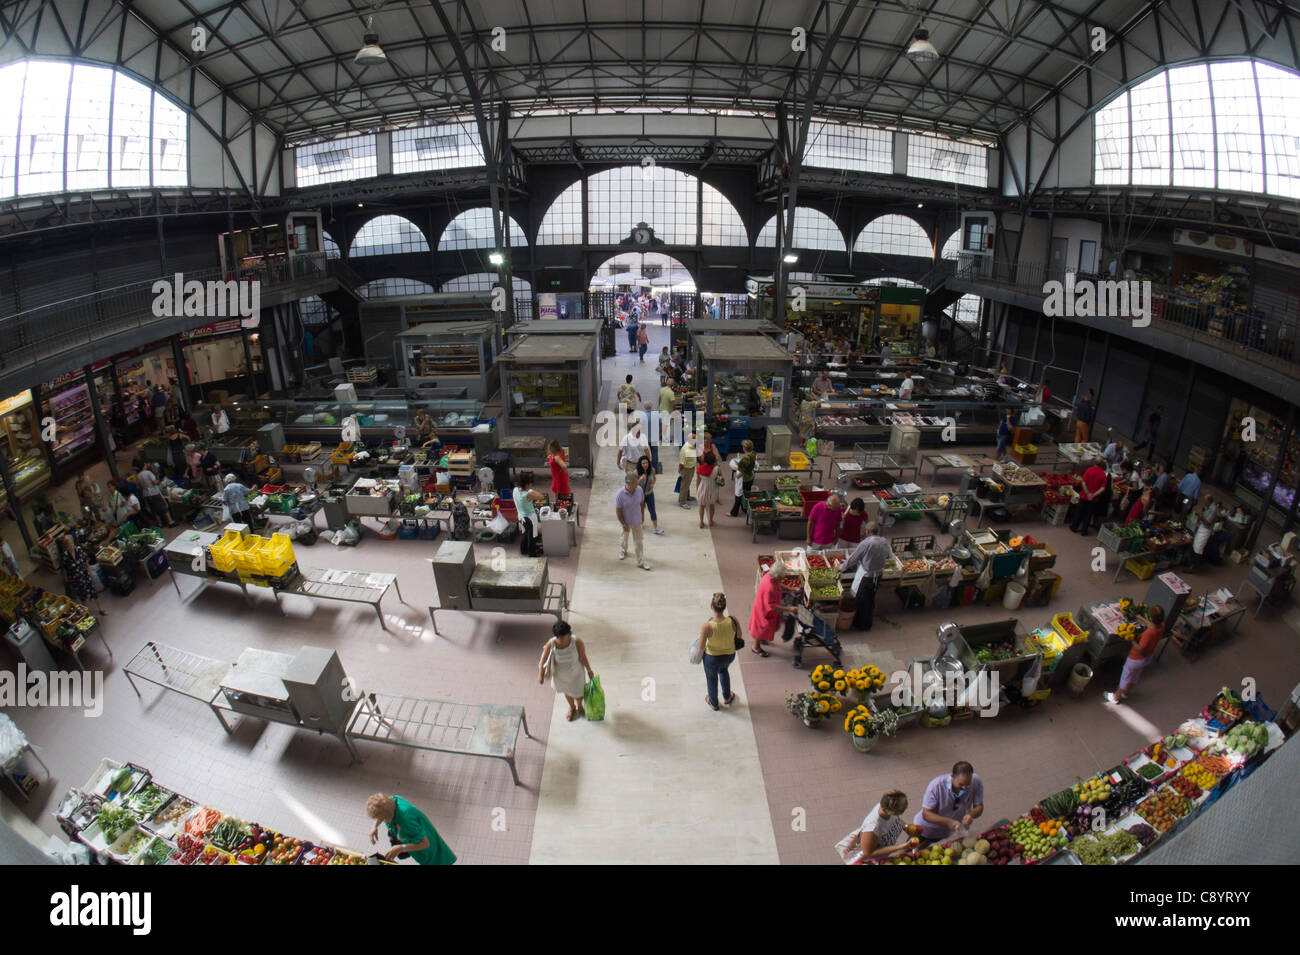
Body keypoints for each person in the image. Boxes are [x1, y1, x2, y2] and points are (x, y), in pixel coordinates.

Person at [365, 793, 456, 865]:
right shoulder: (391, 801)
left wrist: (400, 848)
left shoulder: (406, 822)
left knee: (436, 861)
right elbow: (383, 814)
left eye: (381, 818)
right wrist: (374, 826)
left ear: (387, 815)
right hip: (415, 835)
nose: (379, 820)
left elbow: (425, 844)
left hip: (427, 851)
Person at [1104, 606, 1166, 704]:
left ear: (1152, 617)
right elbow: (1151, 625)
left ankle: (1116, 697)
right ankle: (1126, 693)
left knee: (1126, 675)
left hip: (1136, 658)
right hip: (1147, 657)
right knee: (1135, 675)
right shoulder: (1162, 625)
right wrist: (1139, 617)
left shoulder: (1149, 633)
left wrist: (1131, 640)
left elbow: (1140, 650)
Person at [914, 761, 985, 842]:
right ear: (952, 776)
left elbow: (979, 807)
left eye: (967, 784)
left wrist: (971, 815)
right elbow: (926, 814)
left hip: (947, 831)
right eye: (961, 785)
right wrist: (949, 822)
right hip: (926, 828)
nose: (965, 788)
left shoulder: (976, 781)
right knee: (912, 847)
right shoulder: (936, 785)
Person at [539, 620, 594, 721]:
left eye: (563, 637)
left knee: (578, 693)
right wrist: (541, 675)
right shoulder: (551, 643)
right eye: (558, 637)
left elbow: (583, 658)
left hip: (576, 674)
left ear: (569, 634)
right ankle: (572, 707)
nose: (560, 640)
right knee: (567, 692)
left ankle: (580, 706)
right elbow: (543, 660)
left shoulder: (577, 642)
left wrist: (589, 670)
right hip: (560, 675)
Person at [841, 790, 915, 865]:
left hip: (882, 856)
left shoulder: (886, 807)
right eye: (901, 811)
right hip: (871, 862)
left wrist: (906, 827)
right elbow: (868, 853)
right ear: (892, 812)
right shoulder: (873, 827)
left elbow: (896, 818)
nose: (901, 813)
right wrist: (901, 847)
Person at [697, 592, 741, 710]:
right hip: (729, 655)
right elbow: (739, 636)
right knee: (724, 671)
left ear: (711, 605)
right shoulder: (733, 620)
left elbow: (700, 647)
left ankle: (714, 703)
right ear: (724, 606)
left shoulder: (707, 626)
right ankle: (727, 696)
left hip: (712, 658)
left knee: (711, 678)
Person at [843, 521, 890, 630]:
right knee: (871, 598)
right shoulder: (883, 541)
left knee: (862, 600)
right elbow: (887, 555)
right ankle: (868, 622)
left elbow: (853, 559)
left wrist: (841, 568)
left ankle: (861, 624)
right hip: (878, 575)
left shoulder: (866, 543)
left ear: (867, 532)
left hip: (867, 576)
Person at [749, 562, 800, 658]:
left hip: (763, 606)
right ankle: (756, 647)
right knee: (761, 629)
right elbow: (771, 606)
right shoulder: (770, 588)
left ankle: (762, 640)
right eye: (782, 577)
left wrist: (789, 588)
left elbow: (778, 584)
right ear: (777, 577)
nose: (783, 578)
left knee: (763, 629)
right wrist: (789, 609)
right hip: (764, 611)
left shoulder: (770, 576)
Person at [59, 535, 107, 615]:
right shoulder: (65, 556)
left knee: (93, 592)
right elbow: (64, 568)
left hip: (84, 575)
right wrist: (66, 578)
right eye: (69, 544)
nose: (71, 545)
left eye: (71, 543)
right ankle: (85, 611)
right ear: (66, 546)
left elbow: (85, 561)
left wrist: (89, 571)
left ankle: (100, 609)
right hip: (75, 578)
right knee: (82, 595)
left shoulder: (78, 550)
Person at [615, 472, 651, 570]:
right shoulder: (620, 494)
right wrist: (623, 524)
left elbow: (642, 503)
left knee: (639, 542)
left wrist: (642, 516)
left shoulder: (639, 490)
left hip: (637, 521)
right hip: (626, 522)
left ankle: (640, 561)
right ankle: (623, 551)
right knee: (624, 538)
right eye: (635, 482)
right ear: (629, 483)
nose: (637, 484)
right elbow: (618, 511)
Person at [1070, 457, 1109, 536]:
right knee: (1088, 514)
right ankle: (1084, 531)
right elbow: (1103, 488)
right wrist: (1094, 494)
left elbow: (1083, 482)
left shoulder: (1089, 470)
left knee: (1079, 512)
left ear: (1094, 463)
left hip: (1084, 496)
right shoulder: (1102, 474)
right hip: (1094, 499)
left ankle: (1074, 527)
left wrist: (1088, 493)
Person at [513, 471, 546, 558]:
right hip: (529, 518)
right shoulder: (528, 494)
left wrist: (529, 490)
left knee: (525, 533)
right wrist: (531, 491)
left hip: (521, 516)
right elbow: (541, 496)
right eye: (531, 483)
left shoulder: (515, 490)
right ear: (527, 484)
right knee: (532, 537)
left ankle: (523, 549)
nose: (531, 485)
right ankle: (532, 554)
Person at [634, 455, 663, 536]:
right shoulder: (636, 472)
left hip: (649, 493)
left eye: (646, 463)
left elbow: (654, 478)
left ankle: (656, 528)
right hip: (640, 495)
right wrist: (640, 479)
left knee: (652, 510)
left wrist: (653, 484)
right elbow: (633, 485)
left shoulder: (652, 470)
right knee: (641, 511)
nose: (645, 464)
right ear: (640, 464)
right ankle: (640, 525)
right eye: (643, 463)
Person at [728, 439, 757, 518]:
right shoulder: (753, 454)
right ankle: (745, 508)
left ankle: (734, 512)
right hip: (750, 477)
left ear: (744, 448)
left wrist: (737, 476)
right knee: (747, 493)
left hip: (744, 479)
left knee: (739, 495)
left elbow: (742, 471)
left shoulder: (745, 459)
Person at [695, 450, 721, 528]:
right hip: (713, 488)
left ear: (705, 460)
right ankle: (710, 521)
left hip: (703, 488)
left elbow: (698, 481)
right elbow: (721, 477)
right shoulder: (717, 469)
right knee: (712, 505)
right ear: (714, 460)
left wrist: (697, 490)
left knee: (701, 506)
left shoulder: (700, 469)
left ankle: (701, 522)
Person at [677, 431, 698, 507]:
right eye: (695, 439)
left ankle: (687, 497)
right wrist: (680, 470)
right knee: (684, 485)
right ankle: (682, 501)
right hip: (686, 469)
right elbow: (682, 463)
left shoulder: (692, 446)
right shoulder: (685, 449)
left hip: (691, 468)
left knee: (687, 484)